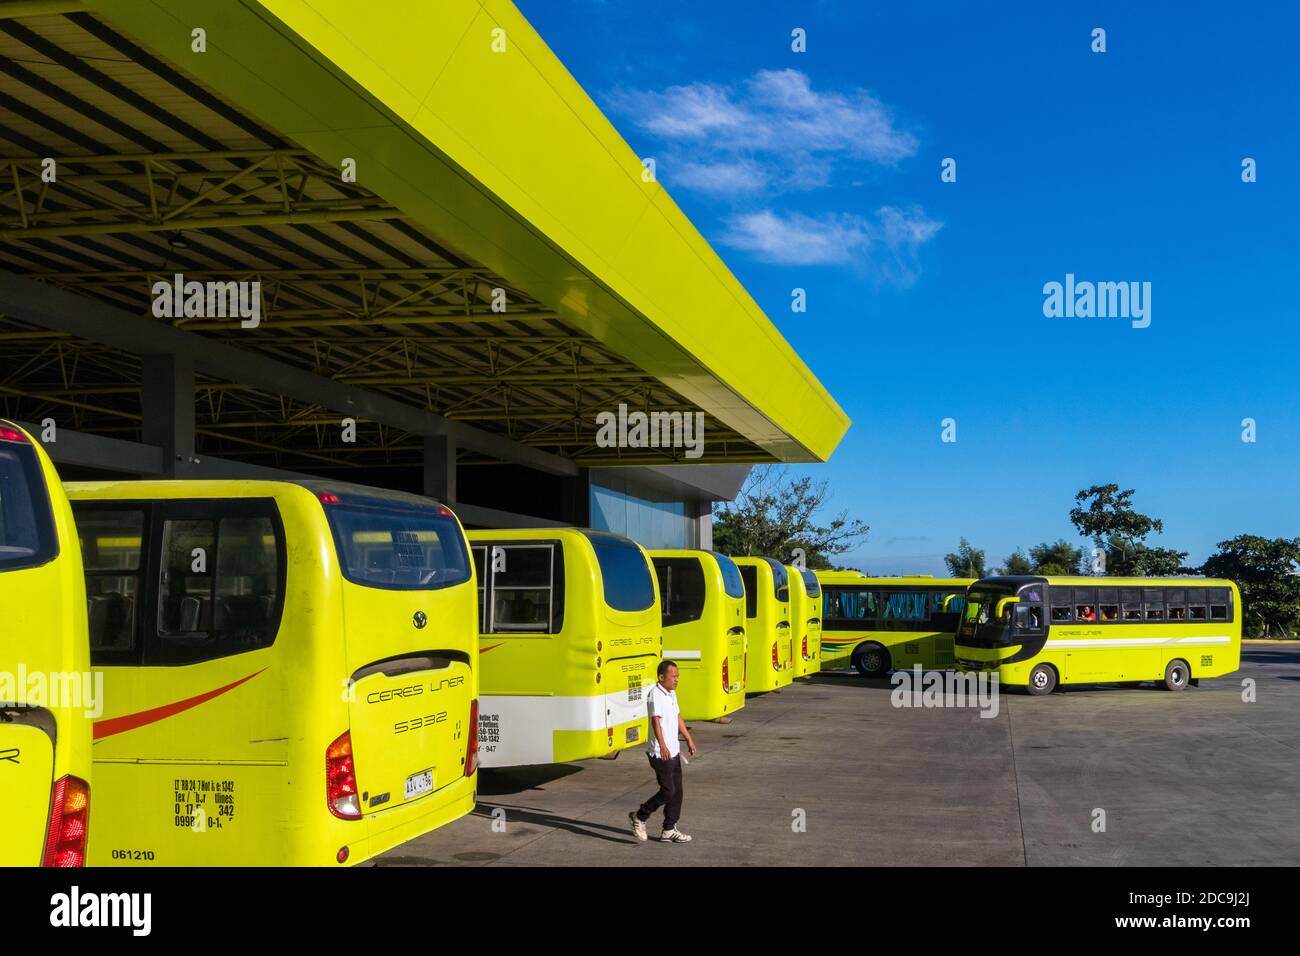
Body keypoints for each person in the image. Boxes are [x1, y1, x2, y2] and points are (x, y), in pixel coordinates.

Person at [629, 660, 697, 844]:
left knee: (677, 792)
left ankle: (669, 829)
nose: (676, 680)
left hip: (673, 751)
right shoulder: (655, 695)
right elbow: (655, 721)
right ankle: (640, 816)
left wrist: (688, 738)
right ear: (661, 677)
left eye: (678, 676)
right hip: (660, 753)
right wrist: (663, 745)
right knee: (668, 791)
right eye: (673, 676)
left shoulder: (671, 694)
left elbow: (677, 716)